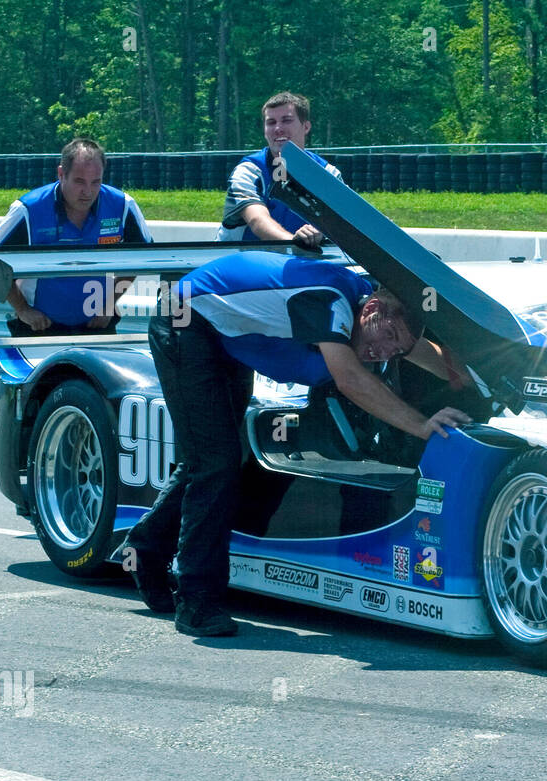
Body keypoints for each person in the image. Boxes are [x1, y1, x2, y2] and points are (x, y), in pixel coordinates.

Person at [123, 251, 472, 637]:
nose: (385, 353)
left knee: (211, 459)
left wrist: (475, 377)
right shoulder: (328, 299)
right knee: (215, 463)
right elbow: (350, 380)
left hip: (221, 332)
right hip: (185, 321)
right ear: (372, 308)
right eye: (387, 338)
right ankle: (197, 600)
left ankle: (143, 551)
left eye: (395, 351)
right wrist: (423, 425)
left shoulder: (376, 313)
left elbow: (423, 351)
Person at [0, 138, 152, 336]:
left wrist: (109, 303)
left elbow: (143, 257)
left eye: (96, 182)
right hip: (40, 328)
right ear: (61, 174)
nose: (88, 192)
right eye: (79, 181)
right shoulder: (29, 210)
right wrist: (22, 309)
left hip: (95, 326)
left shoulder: (122, 206)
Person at [217, 91, 343, 248]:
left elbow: (343, 225)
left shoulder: (329, 174)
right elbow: (257, 220)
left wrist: (317, 234)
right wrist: (294, 243)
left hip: (304, 262)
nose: (278, 128)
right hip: (242, 263)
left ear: (306, 127)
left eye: (286, 120)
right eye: (271, 122)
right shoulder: (248, 171)